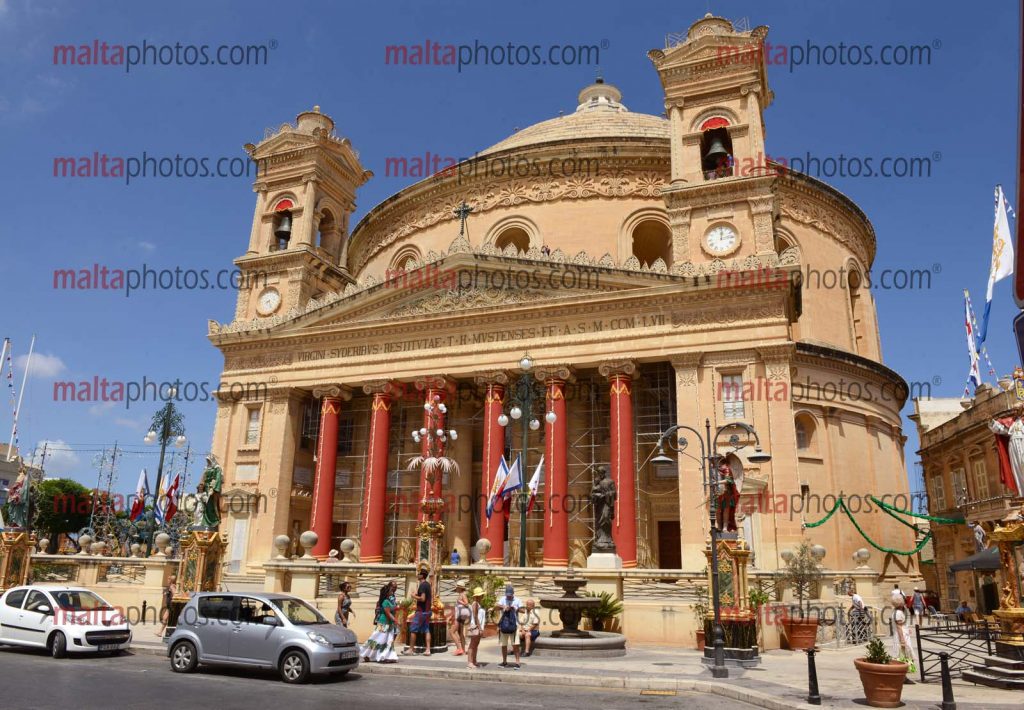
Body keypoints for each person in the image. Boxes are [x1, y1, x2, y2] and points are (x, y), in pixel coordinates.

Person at [362, 581, 399, 663]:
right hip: (383, 623)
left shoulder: (390, 599)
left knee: (387, 641)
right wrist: (395, 620)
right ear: (387, 593)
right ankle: (366, 654)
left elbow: (392, 609)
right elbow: (388, 613)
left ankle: (386, 656)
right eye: (390, 591)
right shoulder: (385, 601)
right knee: (376, 639)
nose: (392, 592)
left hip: (388, 623)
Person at [403, 569, 432, 656]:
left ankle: (411, 649)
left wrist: (414, 596)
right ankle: (428, 650)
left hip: (421, 611)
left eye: (419, 574)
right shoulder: (427, 585)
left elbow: (422, 599)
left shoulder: (422, 585)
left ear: (422, 575)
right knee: (426, 630)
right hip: (427, 611)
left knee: (413, 629)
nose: (417, 575)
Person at [497, 584, 522, 669]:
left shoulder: (518, 600)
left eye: (510, 596)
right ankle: (504, 661)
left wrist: (515, 608)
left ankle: (517, 662)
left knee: (515, 645)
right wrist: (503, 606)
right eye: (507, 596)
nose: (509, 597)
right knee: (503, 644)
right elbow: (496, 607)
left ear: (513, 594)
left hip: (514, 625)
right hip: (503, 625)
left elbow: (523, 610)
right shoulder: (502, 599)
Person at [891, 597, 916, 669]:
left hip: (903, 633)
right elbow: (899, 626)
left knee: (904, 651)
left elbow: (902, 624)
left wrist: (907, 628)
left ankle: (907, 667)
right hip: (901, 634)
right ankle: (906, 668)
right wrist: (902, 639)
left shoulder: (896, 611)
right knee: (905, 650)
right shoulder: (898, 613)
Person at [466, 587, 486, 669]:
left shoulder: (477, 604)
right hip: (476, 627)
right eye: (481, 595)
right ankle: (470, 662)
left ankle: (474, 661)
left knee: (475, 645)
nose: (482, 597)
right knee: (472, 645)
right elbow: (475, 616)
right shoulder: (475, 604)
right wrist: (480, 628)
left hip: (477, 626)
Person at [451, 580, 470, 656]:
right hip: (460, 615)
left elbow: (467, 604)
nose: (457, 589)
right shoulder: (461, 594)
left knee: (452, 631)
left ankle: (459, 649)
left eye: (457, 588)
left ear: (460, 588)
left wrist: (460, 601)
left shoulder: (462, 594)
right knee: (460, 633)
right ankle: (463, 650)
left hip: (460, 615)